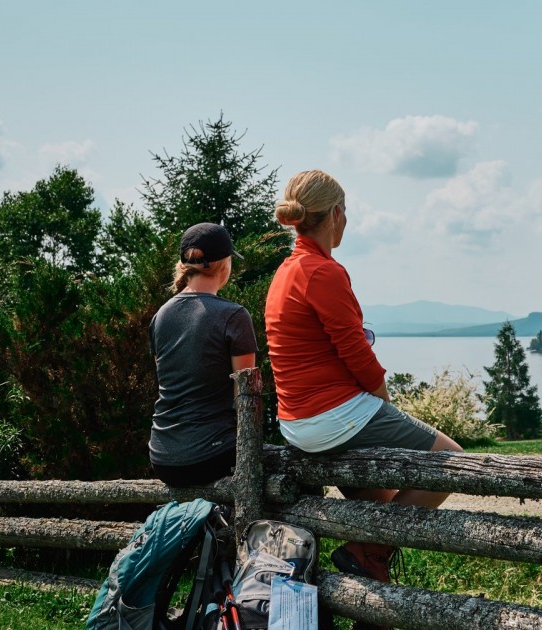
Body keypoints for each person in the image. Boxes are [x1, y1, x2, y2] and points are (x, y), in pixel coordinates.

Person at [265, 169, 462, 588]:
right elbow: (358, 354)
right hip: (333, 416)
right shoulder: (323, 272)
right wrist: (384, 402)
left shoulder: (286, 271)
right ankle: (370, 550)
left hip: (296, 423)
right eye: (346, 212)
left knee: (383, 502)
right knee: (451, 459)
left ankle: (372, 573)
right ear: (336, 215)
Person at [148, 222, 258, 487]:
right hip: (211, 455)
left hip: (162, 457)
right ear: (224, 264)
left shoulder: (160, 316)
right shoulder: (234, 315)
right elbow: (245, 398)